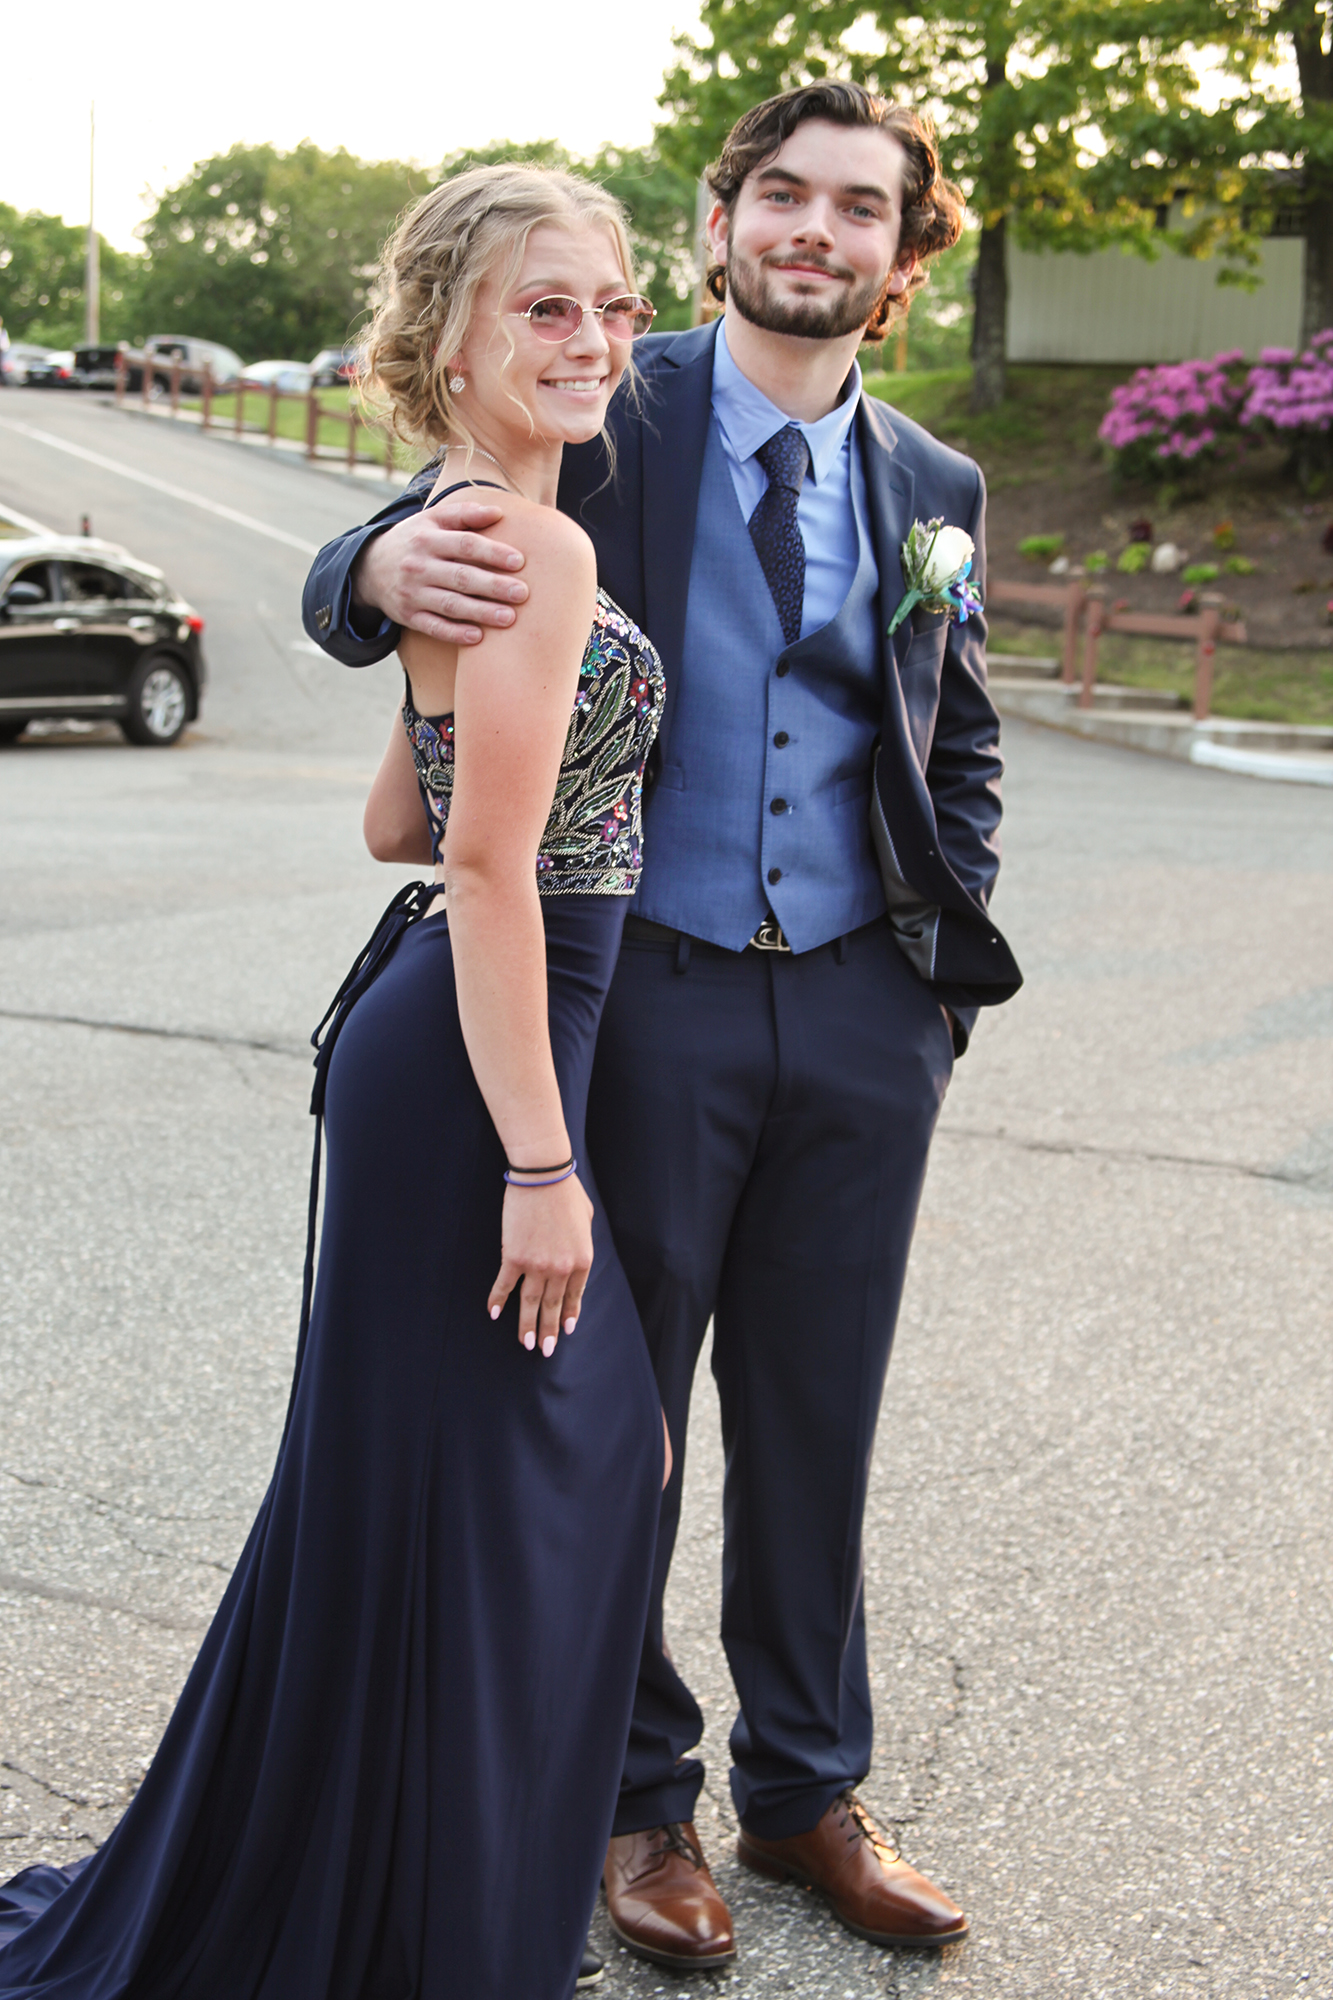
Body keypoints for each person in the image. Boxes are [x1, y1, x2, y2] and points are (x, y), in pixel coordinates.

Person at [305, 83, 1023, 1970]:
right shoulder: (618, 403)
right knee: (618, 1422)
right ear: (723, 225)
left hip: (864, 1013)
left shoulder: (933, 489)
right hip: (650, 1000)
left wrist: (935, 973)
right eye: (780, 192)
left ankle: (806, 1791)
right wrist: (367, 578)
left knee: (818, 1415)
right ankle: (644, 1805)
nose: (815, 227)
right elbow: (427, 508)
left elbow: (952, 727)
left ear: (897, 259)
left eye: (857, 207)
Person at [0, 164, 669, 2000]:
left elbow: (401, 813)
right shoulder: (531, 541)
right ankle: (426, 1926)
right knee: (555, 1466)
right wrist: (545, 1165)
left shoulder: (481, 526)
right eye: (548, 304)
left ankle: (385, 1896)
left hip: (440, 1042)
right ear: (446, 336)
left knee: (435, 1488)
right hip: (485, 1070)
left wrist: (434, 668)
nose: (597, 336)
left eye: (612, 302)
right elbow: (477, 868)